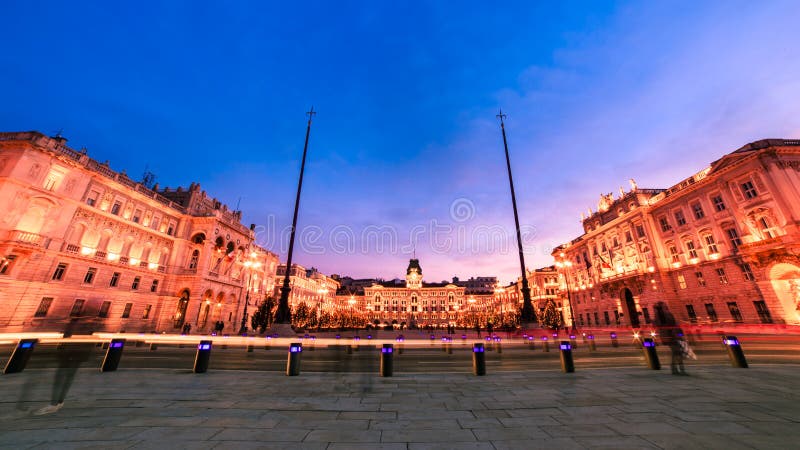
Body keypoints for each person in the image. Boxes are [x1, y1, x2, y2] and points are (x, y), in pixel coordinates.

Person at [35, 316, 97, 415]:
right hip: (75, 357)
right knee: (67, 379)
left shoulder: (78, 325)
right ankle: (59, 402)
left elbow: (69, 339)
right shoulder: (86, 325)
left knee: (60, 379)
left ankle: (54, 404)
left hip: (70, 356)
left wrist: (61, 351)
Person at [653, 302, 686, 375]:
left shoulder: (661, 315)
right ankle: (679, 369)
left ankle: (675, 369)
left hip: (671, 336)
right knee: (677, 352)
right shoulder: (663, 315)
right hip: (672, 336)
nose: (666, 306)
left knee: (676, 352)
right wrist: (678, 334)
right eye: (664, 305)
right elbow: (671, 325)